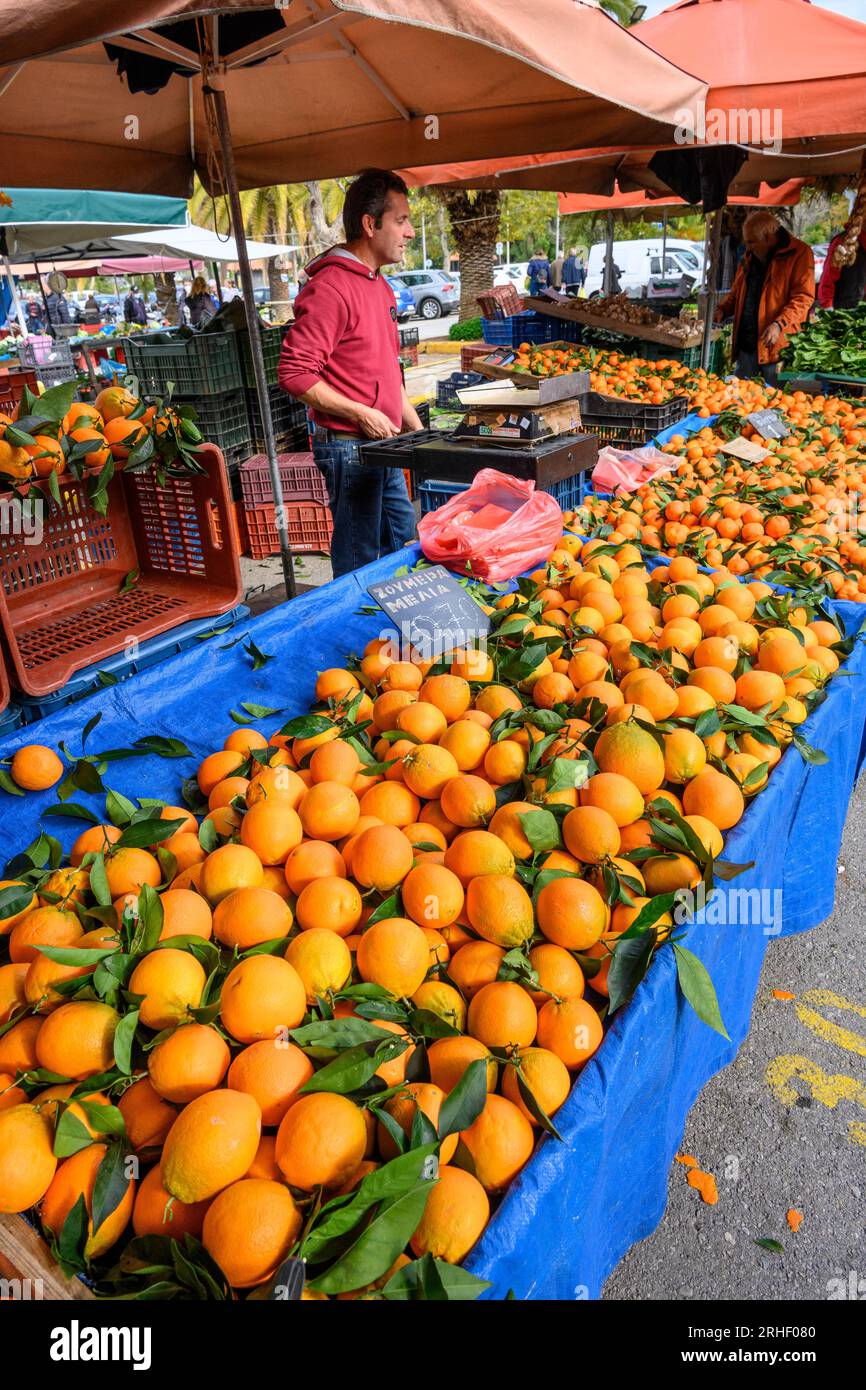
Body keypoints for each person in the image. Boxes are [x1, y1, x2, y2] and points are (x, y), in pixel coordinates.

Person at [278, 167, 420, 579]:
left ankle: (398, 635)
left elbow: (386, 371)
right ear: (370, 224)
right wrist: (361, 413)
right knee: (362, 561)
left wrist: (415, 428)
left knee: (404, 544)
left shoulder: (380, 285)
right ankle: (359, 643)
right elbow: (294, 372)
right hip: (348, 448)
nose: (409, 232)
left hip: (385, 442)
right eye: (402, 220)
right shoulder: (331, 287)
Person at [715, 210, 814, 385]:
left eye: (752, 241)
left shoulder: (799, 253)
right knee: (740, 403)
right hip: (747, 346)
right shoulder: (750, 257)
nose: (748, 247)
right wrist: (723, 309)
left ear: (768, 237)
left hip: (776, 348)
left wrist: (778, 324)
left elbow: (803, 298)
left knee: (775, 403)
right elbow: (736, 293)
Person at [818, 227, 866, 309]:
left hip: (860, 306)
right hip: (840, 307)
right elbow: (828, 277)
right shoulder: (841, 241)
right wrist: (827, 306)